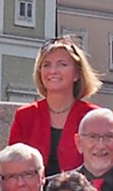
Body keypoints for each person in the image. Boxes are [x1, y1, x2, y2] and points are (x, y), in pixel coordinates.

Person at [8, 38, 102, 177]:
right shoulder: (25, 116)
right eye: (46, 65)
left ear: (77, 74)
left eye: (62, 64)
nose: (53, 71)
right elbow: (13, 166)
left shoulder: (93, 116)